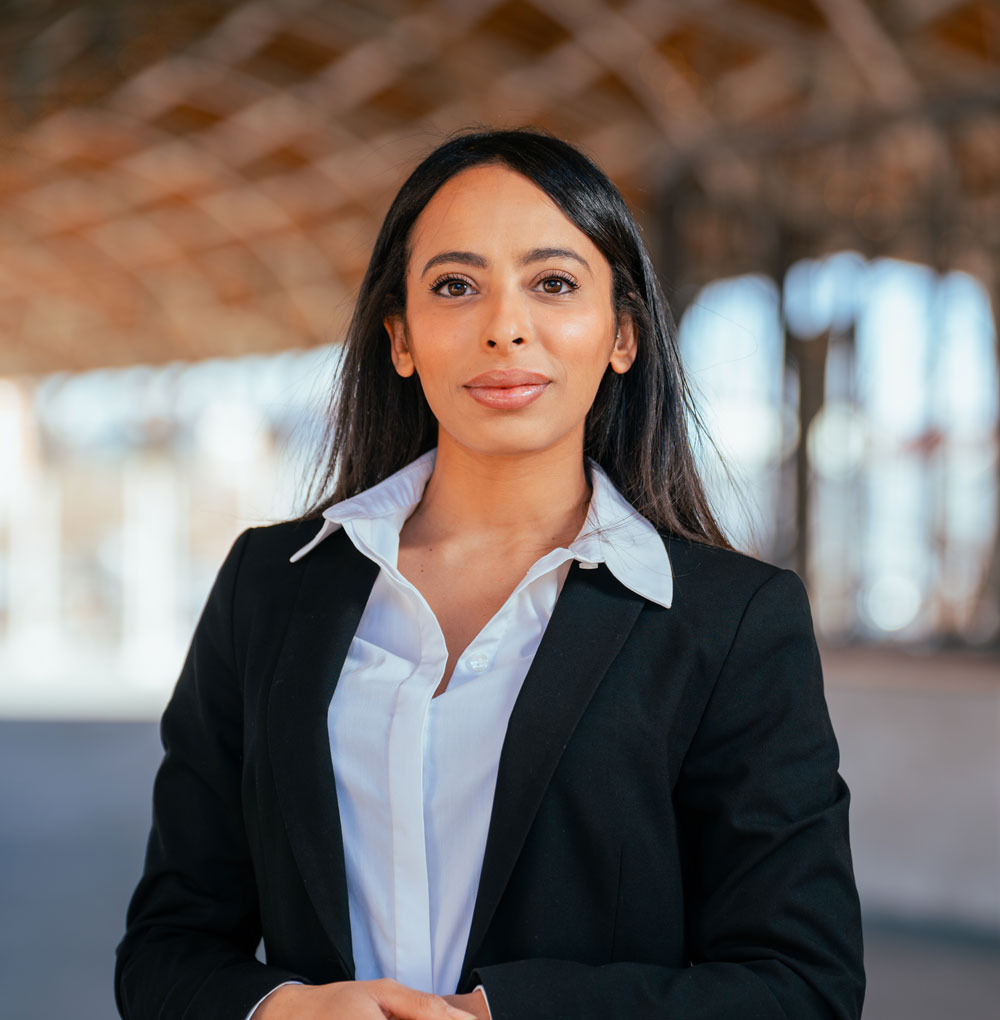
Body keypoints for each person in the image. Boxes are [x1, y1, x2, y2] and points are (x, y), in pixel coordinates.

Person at [115, 129, 864, 1020]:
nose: (504, 326)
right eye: (455, 287)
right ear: (400, 337)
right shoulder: (269, 587)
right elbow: (167, 950)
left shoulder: (732, 624)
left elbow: (802, 987)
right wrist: (281, 1009)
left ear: (622, 334)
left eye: (553, 283)